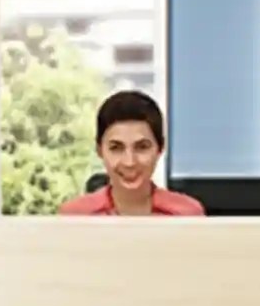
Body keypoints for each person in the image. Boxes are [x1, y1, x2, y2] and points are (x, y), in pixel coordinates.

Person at [58, 90, 205, 217]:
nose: (130, 162)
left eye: (142, 147)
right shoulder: (74, 216)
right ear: (99, 150)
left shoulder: (187, 214)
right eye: (116, 148)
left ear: (160, 148)